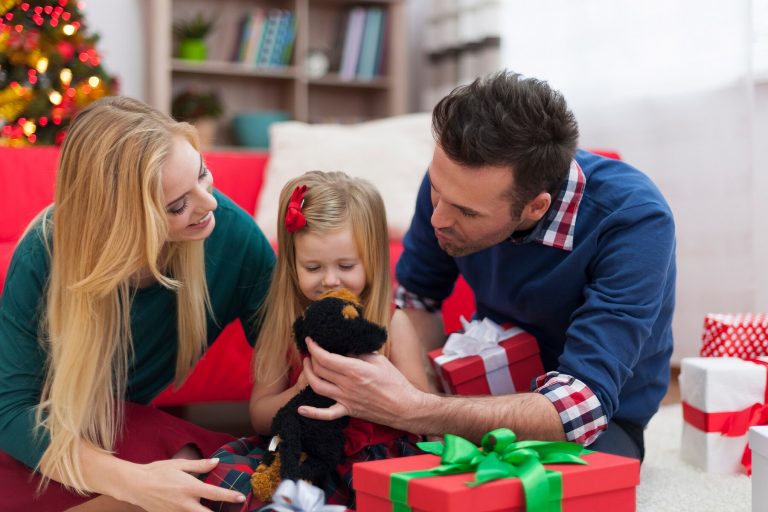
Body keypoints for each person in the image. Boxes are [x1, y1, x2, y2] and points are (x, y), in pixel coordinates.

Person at [299, 71, 676, 462]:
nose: (438, 219)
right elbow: (417, 300)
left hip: (596, 422)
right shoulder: (452, 187)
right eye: (436, 189)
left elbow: (581, 409)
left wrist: (414, 407)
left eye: (465, 211)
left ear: (536, 206)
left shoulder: (634, 221)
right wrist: (417, 401)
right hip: (476, 389)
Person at [0, 96, 276, 511]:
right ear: (122, 221)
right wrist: (134, 483)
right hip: (47, 443)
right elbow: (13, 412)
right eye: (178, 206)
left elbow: (290, 354)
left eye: (203, 174)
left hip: (130, 432)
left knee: (208, 472)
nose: (210, 204)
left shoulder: (233, 237)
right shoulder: (43, 253)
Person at [201, 171, 429, 510]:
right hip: (300, 451)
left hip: (374, 457)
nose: (330, 279)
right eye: (312, 267)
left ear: (373, 260)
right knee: (225, 483)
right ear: (292, 266)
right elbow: (260, 416)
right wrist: (301, 387)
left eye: (346, 265)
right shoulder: (283, 325)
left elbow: (423, 408)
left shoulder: (391, 322)